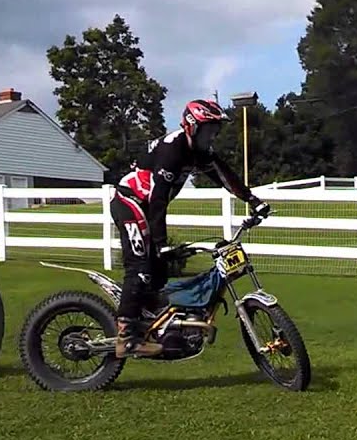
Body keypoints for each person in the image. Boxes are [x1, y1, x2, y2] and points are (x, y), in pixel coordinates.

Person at [110, 98, 272, 357]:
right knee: (140, 267)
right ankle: (126, 337)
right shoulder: (172, 149)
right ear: (191, 126)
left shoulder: (198, 152)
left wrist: (253, 201)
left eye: (214, 132)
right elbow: (158, 198)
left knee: (159, 270)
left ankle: (150, 320)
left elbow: (225, 176)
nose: (212, 137)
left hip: (146, 207)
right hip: (130, 203)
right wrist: (160, 242)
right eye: (208, 131)